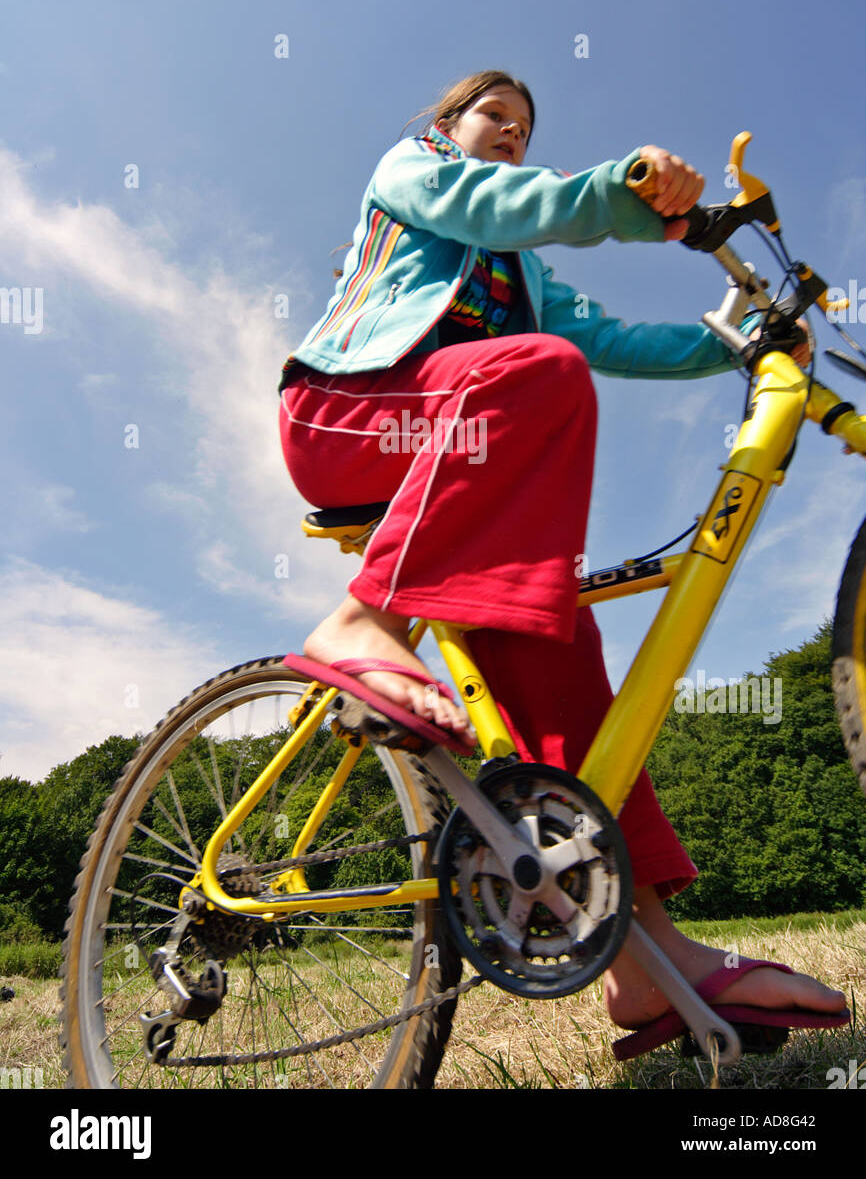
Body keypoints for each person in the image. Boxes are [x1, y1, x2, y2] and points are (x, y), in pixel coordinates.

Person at [278, 70, 847, 1055]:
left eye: (523, 127)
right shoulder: (417, 173)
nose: (507, 133)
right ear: (448, 125)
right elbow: (493, 205)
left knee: (559, 636)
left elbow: (617, 337)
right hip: (347, 416)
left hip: (455, 453)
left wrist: (741, 342)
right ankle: (365, 623)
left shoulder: (528, 283)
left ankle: (645, 964)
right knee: (539, 375)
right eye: (492, 116)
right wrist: (626, 194)